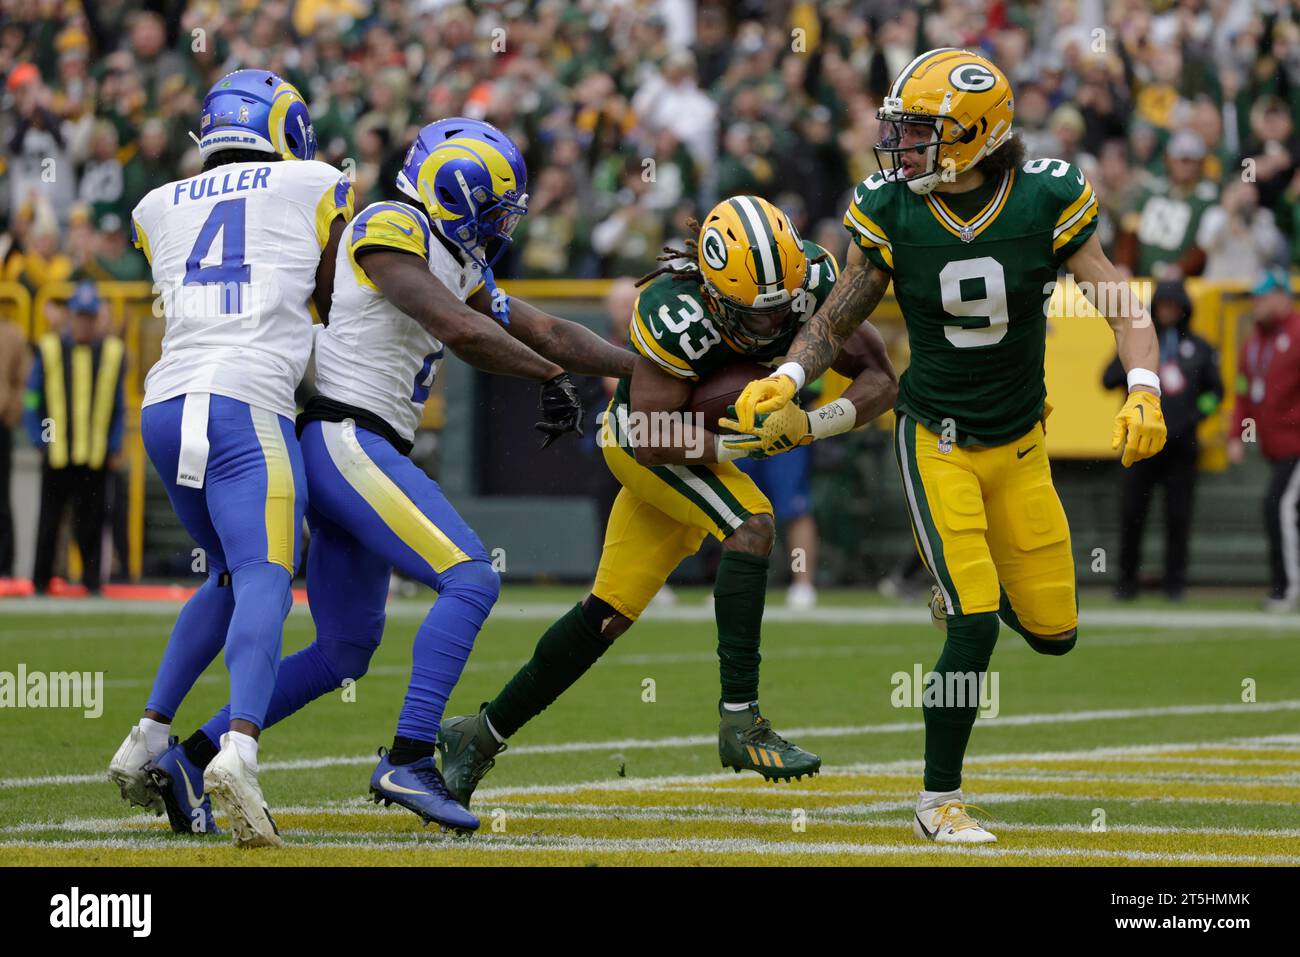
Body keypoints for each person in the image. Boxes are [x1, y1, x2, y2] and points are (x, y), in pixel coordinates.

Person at [139, 119, 629, 837]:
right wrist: (548, 377)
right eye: (493, 209)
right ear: (451, 191)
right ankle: (407, 756)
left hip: (358, 443)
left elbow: (548, 331)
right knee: (471, 576)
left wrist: (644, 369)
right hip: (344, 435)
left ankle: (192, 757)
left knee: (345, 646)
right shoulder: (390, 225)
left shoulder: (457, 259)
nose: (500, 226)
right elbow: (455, 328)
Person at [733, 50, 1168, 844]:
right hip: (936, 437)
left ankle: (954, 589)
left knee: (1056, 634)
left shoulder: (1046, 198)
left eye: (921, 131)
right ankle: (939, 801)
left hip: (1022, 442)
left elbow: (1122, 305)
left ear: (976, 135)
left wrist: (1146, 386)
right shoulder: (892, 209)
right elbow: (836, 313)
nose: (901, 147)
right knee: (975, 625)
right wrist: (793, 373)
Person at [436, 195, 898, 807]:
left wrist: (815, 425)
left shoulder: (811, 279)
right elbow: (653, 436)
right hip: (641, 439)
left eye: (778, 310)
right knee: (753, 525)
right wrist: (742, 442)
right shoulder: (671, 309)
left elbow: (882, 380)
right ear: (712, 290)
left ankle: (478, 736)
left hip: (695, 441)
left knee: (606, 615)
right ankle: (741, 720)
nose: (768, 325)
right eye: (751, 314)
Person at [106, 69, 355, 847]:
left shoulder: (156, 204)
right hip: (247, 401)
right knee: (265, 573)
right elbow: (333, 291)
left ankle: (149, 732)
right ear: (282, 129)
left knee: (222, 567)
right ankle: (238, 745)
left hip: (167, 403)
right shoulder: (315, 181)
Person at [1103, 280, 1223, 600]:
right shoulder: (1140, 344)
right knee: (1131, 513)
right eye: (1162, 305)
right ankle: (1126, 583)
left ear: (1184, 308)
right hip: (1140, 447)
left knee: (1178, 515)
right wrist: (1133, 367)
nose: (1168, 311)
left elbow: (1216, 393)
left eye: (1174, 305)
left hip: (1182, 449)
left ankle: (1175, 584)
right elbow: (1107, 379)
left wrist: (1196, 416)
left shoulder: (1199, 347)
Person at [23, 281, 124, 595]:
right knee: (49, 523)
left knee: (92, 524)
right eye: (79, 316)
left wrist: (113, 444)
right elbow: (32, 398)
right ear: (71, 316)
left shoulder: (110, 354)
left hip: (93, 456)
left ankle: (92, 584)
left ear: (96, 320)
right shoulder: (51, 348)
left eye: (89, 317)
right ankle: (40, 583)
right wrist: (40, 438)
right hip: (57, 453)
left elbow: (118, 404)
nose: (84, 323)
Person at [1229, 267, 1300, 613]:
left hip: (1297, 447)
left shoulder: (1298, 332)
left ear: (1282, 296)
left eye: (1262, 297)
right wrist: (1238, 435)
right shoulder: (1254, 340)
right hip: (1277, 448)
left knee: (1279, 506)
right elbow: (1243, 393)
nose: (1256, 304)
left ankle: (1286, 589)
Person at [0, 317, 28, 583]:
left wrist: (11, 412)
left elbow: (24, 382)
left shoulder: (11, 334)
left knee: (2, 501)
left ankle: (5, 567)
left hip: (1, 426)